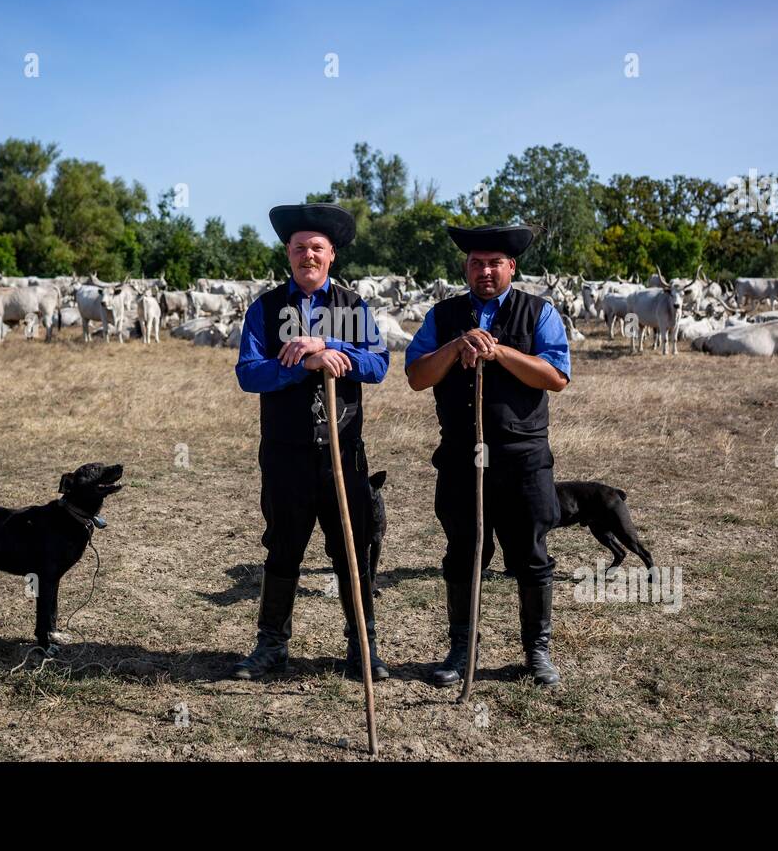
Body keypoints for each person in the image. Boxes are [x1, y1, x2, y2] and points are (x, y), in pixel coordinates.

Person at [404, 224, 571, 687]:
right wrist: (457, 346)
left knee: (531, 555)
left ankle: (537, 651)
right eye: (477, 262)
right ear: (466, 267)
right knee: (463, 553)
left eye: (495, 262)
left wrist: (499, 353)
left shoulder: (538, 313)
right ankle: (461, 648)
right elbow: (417, 376)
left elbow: (556, 376)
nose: (485, 270)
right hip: (461, 456)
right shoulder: (443, 315)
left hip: (523, 457)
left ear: (511, 267)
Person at [232, 203, 390, 681]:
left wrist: (329, 347)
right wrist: (299, 365)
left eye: (316, 248)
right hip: (285, 454)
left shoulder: (352, 307)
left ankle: (362, 647)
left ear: (331, 255)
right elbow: (248, 373)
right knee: (283, 548)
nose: (308, 255)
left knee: (351, 549)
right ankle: (272, 646)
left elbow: (378, 365)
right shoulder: (264, 308)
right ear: (288, 252)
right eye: (300, 247)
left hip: (343, 453)